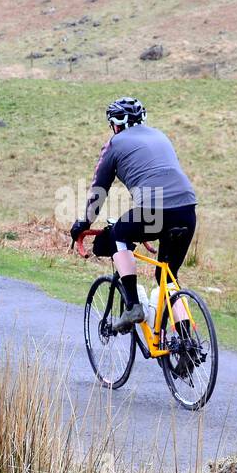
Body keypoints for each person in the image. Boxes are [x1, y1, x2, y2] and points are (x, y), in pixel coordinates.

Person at [70, 97, 197, 334]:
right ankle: (186, 343)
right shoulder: (160, 136)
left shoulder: (115, 144)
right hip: (187, 208)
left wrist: (83, 223)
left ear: (116, 124)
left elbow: (99, 189)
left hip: (153, 209)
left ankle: (132, 306)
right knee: (168, 279)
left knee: (119, 233)